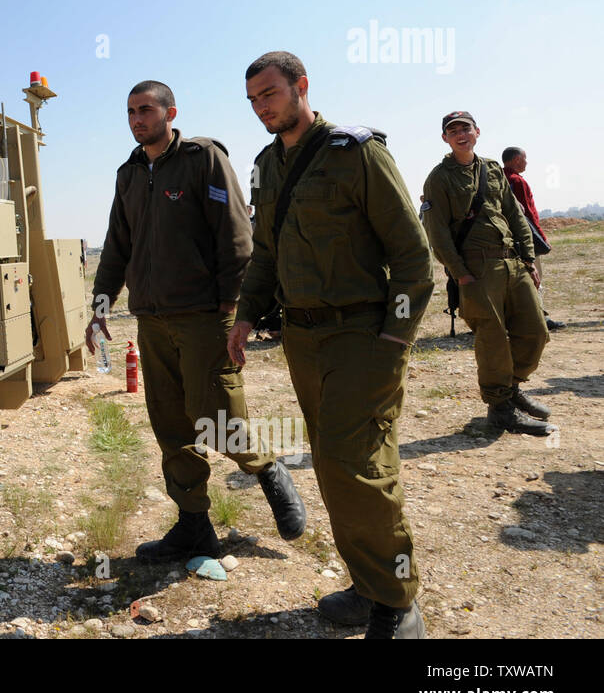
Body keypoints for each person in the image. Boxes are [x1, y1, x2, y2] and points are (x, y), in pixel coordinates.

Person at [226, 51, 434, 640]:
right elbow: (265, 253)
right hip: (303, 339)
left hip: (362, 336)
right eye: (253, 100)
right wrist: (246, 317)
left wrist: (394, 337)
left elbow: (414, 259)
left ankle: (398, 603)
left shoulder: (357, 153)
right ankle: (370, 586)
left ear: (301, 87)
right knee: (335, 465)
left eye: (270, 94)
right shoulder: (267, 165)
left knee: (358, 466)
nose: (262, 107)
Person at [88, 80, 307, 564]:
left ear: (170, 112)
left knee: (218, 418)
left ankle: (268, 469)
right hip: (152, 321)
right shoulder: (127, 174)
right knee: (171, 429)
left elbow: (235, 234)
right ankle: (193, 526)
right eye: (130, 112)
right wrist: (100, 304)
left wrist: (236, 312)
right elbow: (117, 246)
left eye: (146, 110)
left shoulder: (203, 158)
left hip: (204, 318)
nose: (137, 119)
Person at [421, 116, 552, 435]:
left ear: (477, 132)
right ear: (445, 139)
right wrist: (460, 273)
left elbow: (514, 213)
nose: (461, 135)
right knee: (492, 340)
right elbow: (436, 232)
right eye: (453, 132)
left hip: (513, 262)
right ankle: (500, 409)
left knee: (535, 331)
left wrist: (528, 257)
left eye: (466, 129)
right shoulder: (438, 179)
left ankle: (511, 389)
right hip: (477, 270)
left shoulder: (492, 169)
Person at [501, 146, 565, 331]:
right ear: (515, 160)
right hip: (524, 239)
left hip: (506, 241)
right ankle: (540, 317)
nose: (527, 162)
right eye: (524, 158)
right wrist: (542, 238)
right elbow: (527, 215)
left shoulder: (498, 180)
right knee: (535, 277)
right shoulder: (516, 181)